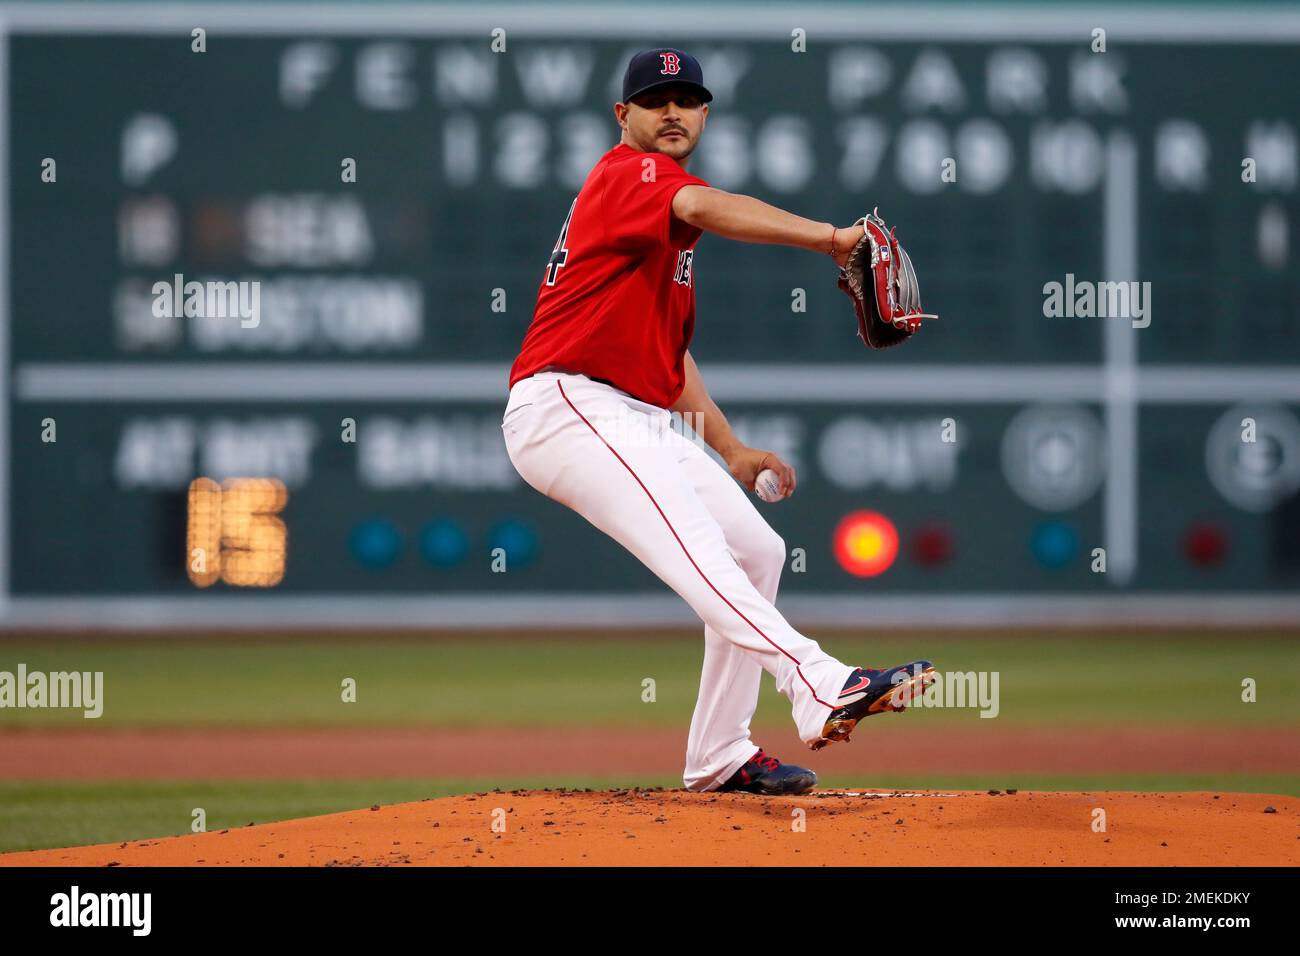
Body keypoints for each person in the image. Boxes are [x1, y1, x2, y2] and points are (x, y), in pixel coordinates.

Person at [502, 48, 934, 795]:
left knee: (758, 552)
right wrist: (833, 239)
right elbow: (702, 205)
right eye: (655, 98)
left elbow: (668, 359)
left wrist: (728, 448)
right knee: (700, 547)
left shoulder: (659, 235)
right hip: (565, 403)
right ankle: (819, 681)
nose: (672, 111)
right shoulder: (631, 177)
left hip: (619, 410)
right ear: (623, 116)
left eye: (687, 99)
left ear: (705, 113)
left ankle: (719, 754)